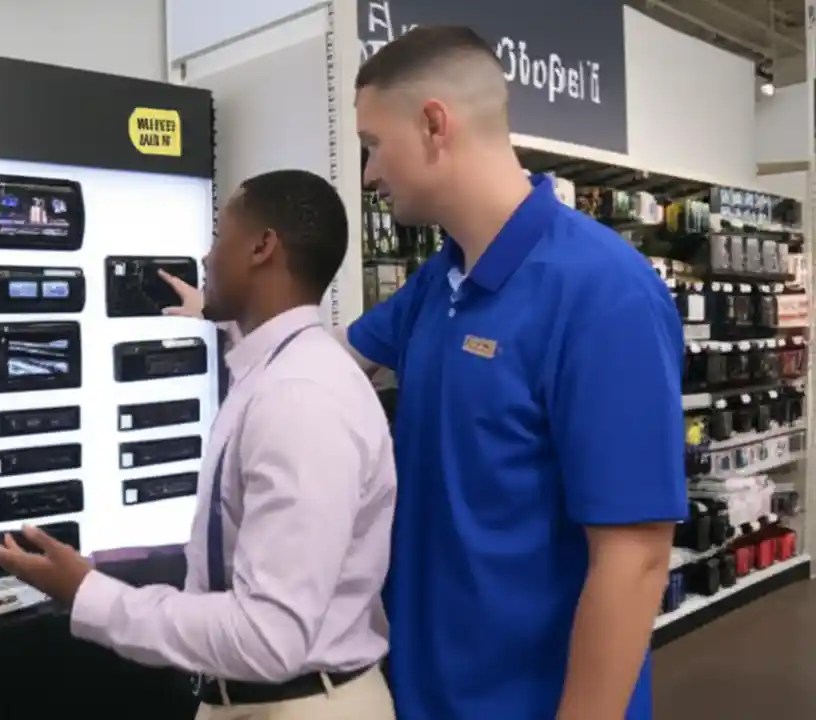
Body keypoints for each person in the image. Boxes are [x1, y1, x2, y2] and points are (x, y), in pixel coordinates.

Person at [158, 26, 686, 720]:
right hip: (416, 689)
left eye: (374, 144)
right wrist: (224, 305)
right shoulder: (441, 282)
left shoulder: (604, 293)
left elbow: (635, 559)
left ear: (435, 125)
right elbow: (319, 355)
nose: (368, 174)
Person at [0, 169, 398, 719]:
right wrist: (219, 312)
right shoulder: (283, 372)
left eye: (220, 237)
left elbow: (269, 637)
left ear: (262, 247)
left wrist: (88, 592)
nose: (206, 255)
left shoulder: (301, 397)